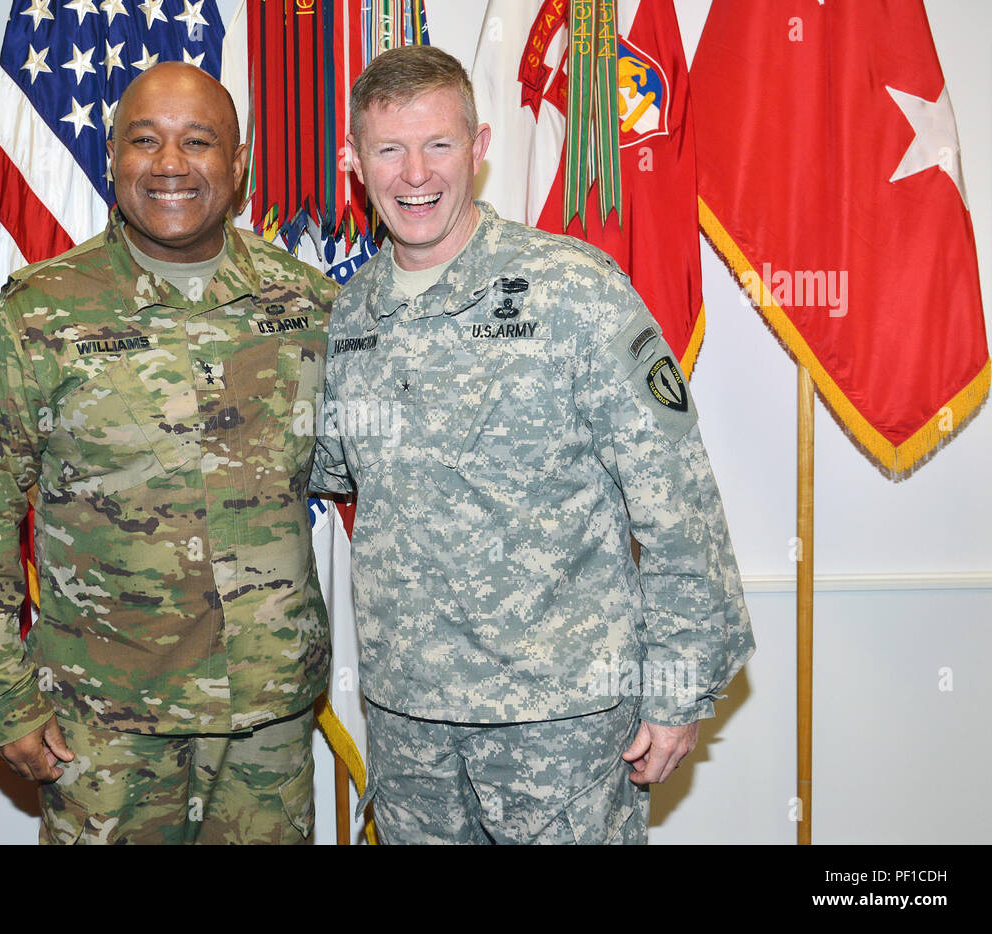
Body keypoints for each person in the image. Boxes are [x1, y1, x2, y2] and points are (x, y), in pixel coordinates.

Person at [312, 45, 755, 844]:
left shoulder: (571, 290)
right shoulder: (350, 318)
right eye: (389, 149)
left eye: (438, 144)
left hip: (560, 723)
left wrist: (676, 690)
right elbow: (341, 476)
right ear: (355, 162)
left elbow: (678, 501)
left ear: (479, 149)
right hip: (409, 722)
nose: (416, 173)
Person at [0, 62, 337, 845]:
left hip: (267, 723)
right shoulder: (40, 315)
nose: (171, 165)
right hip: (103, 727)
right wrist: (2, 697)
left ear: (240, 161)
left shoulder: (308, 306)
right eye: (145, 141)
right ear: (112, 156)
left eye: (198, 141)